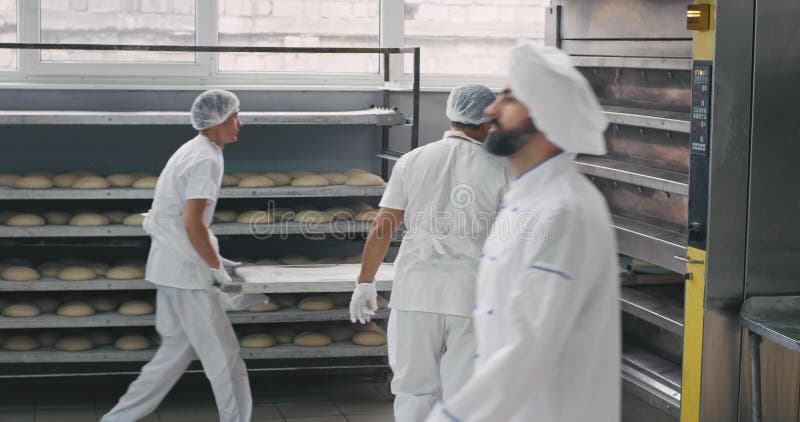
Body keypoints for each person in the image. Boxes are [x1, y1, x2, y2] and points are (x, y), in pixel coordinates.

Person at [425, 42, 620, 422]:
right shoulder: (526, 198)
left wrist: (451, 417)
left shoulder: (565, 211)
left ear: (547, 117)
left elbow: (527, 344)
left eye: (509, 100)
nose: (490, 110)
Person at [349, 85, 511, 422]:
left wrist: (365, 282)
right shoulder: (501, 167)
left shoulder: (412, 161)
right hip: (470, 296)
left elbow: (383, 226)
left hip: (415, 293)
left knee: (412, 390)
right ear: (484, 124)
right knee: (464, 397)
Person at [101, 89, 264, 422]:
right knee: (224, 358)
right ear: (217, 120)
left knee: (171, 357)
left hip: (168, 267)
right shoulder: (205, 159)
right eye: (235, 116)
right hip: (188, 276)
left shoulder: (194, 149)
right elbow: (191, 224)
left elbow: (178, 219)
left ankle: (116, 419)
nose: (240, 124)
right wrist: (215, 267)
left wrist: (218, 258)